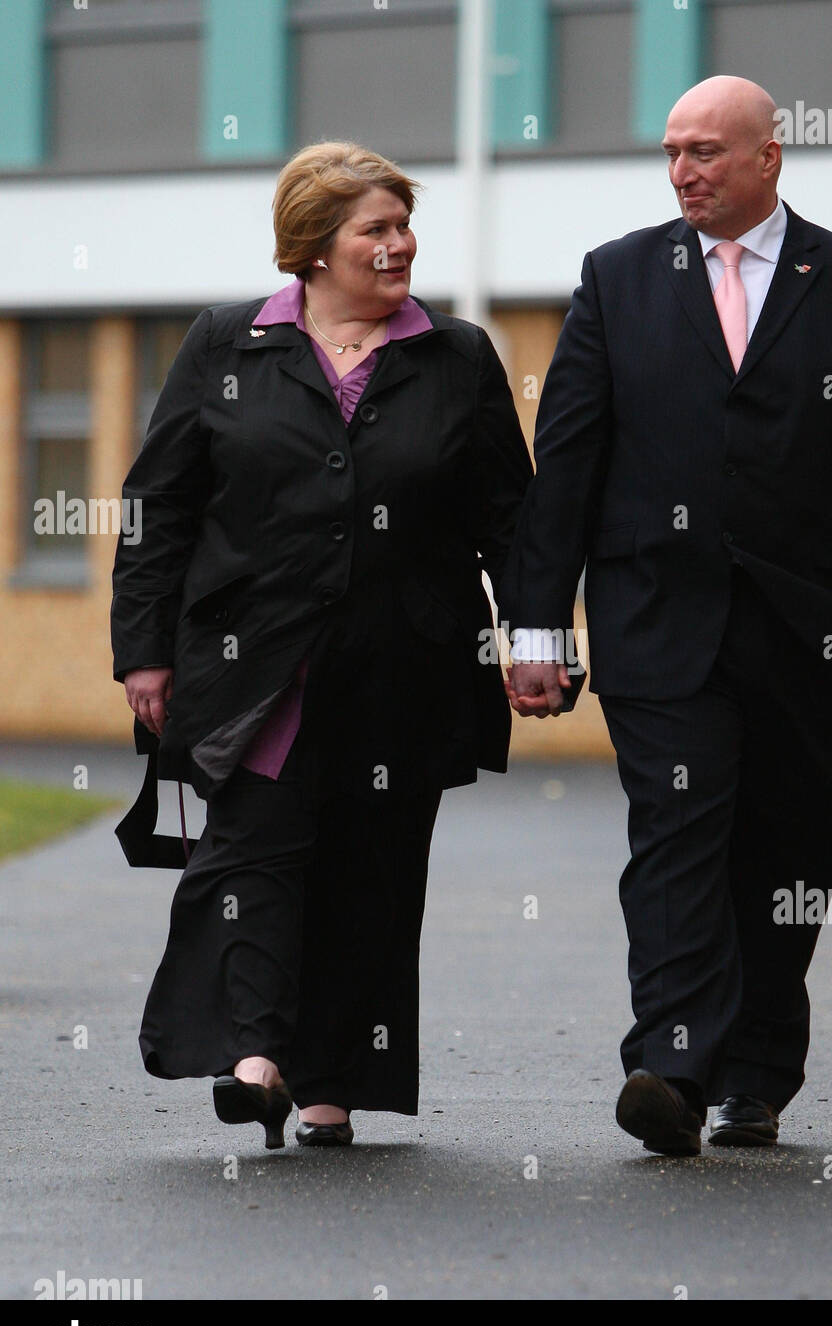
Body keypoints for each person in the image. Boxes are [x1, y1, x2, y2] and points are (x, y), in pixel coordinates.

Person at [505, 77, 832, 1155]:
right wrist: (533, 627)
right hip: (657, 623)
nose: (682, 172)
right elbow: (564, 463)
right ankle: (667, 1061)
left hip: (807, 631)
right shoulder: (616, 279)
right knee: (674, 835)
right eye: (670, 152)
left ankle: (751, 1072)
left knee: (785, 851)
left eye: (705, 151)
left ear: (768, 157)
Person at [111, 141, 532, 1149]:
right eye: (373, 231)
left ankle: (330, 1082)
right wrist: (144, 651)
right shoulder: (226, 345)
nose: (398, 247)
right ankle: (255, 1057)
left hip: (406, 665)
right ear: (312, 250)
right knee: (252, 853)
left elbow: (510, 519)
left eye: (402, 226)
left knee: (370, 872)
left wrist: (533, 638)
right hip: (255, 666)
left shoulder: (456, 356)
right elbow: (156, 507)